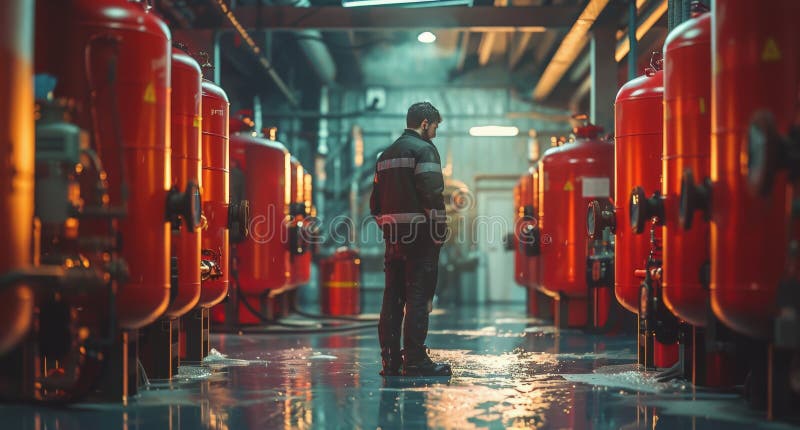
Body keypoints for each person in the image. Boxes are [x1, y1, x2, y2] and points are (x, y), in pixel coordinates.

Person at [369, 102, 452, 377]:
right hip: (420, 238)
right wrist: (438, 231)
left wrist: (389, 227)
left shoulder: (385, 155)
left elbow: (375, 206)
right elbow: (432, 195)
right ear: (425, 123)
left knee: (392, 297)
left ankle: (390, 361)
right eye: (435, 126)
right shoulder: (424, 150)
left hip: (393, 239)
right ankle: (415, 360)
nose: (436, 132)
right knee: (418, 297)